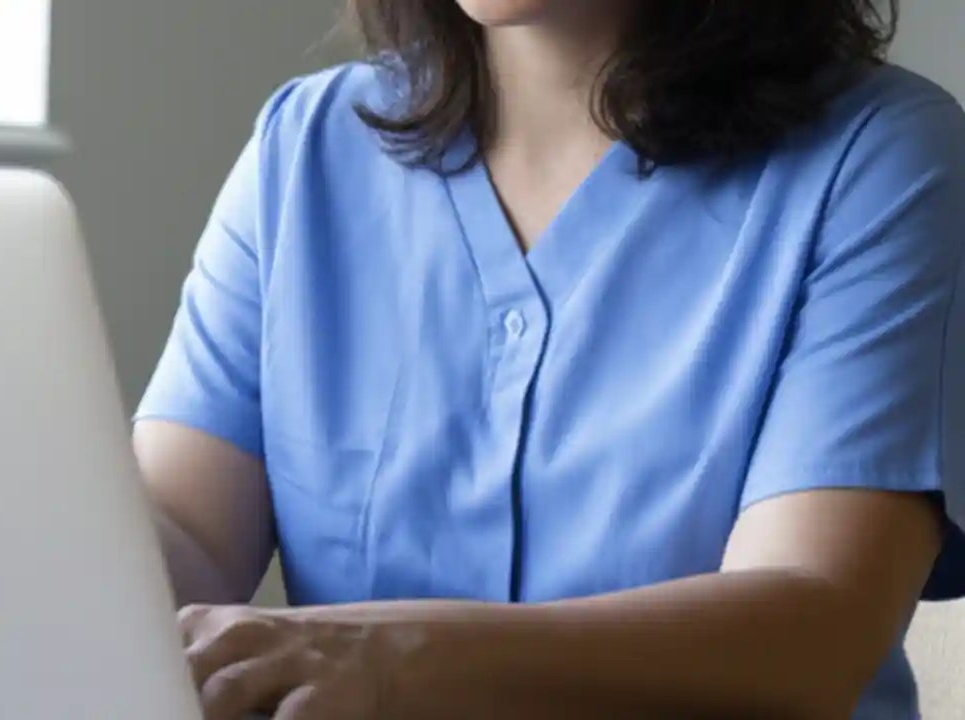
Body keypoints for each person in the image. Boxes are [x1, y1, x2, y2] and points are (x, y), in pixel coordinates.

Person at [133, 0, 965, 717]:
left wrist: (385, 659)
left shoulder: (881, 158)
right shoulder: (304, 150)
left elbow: (811, 630)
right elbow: (183, 531)